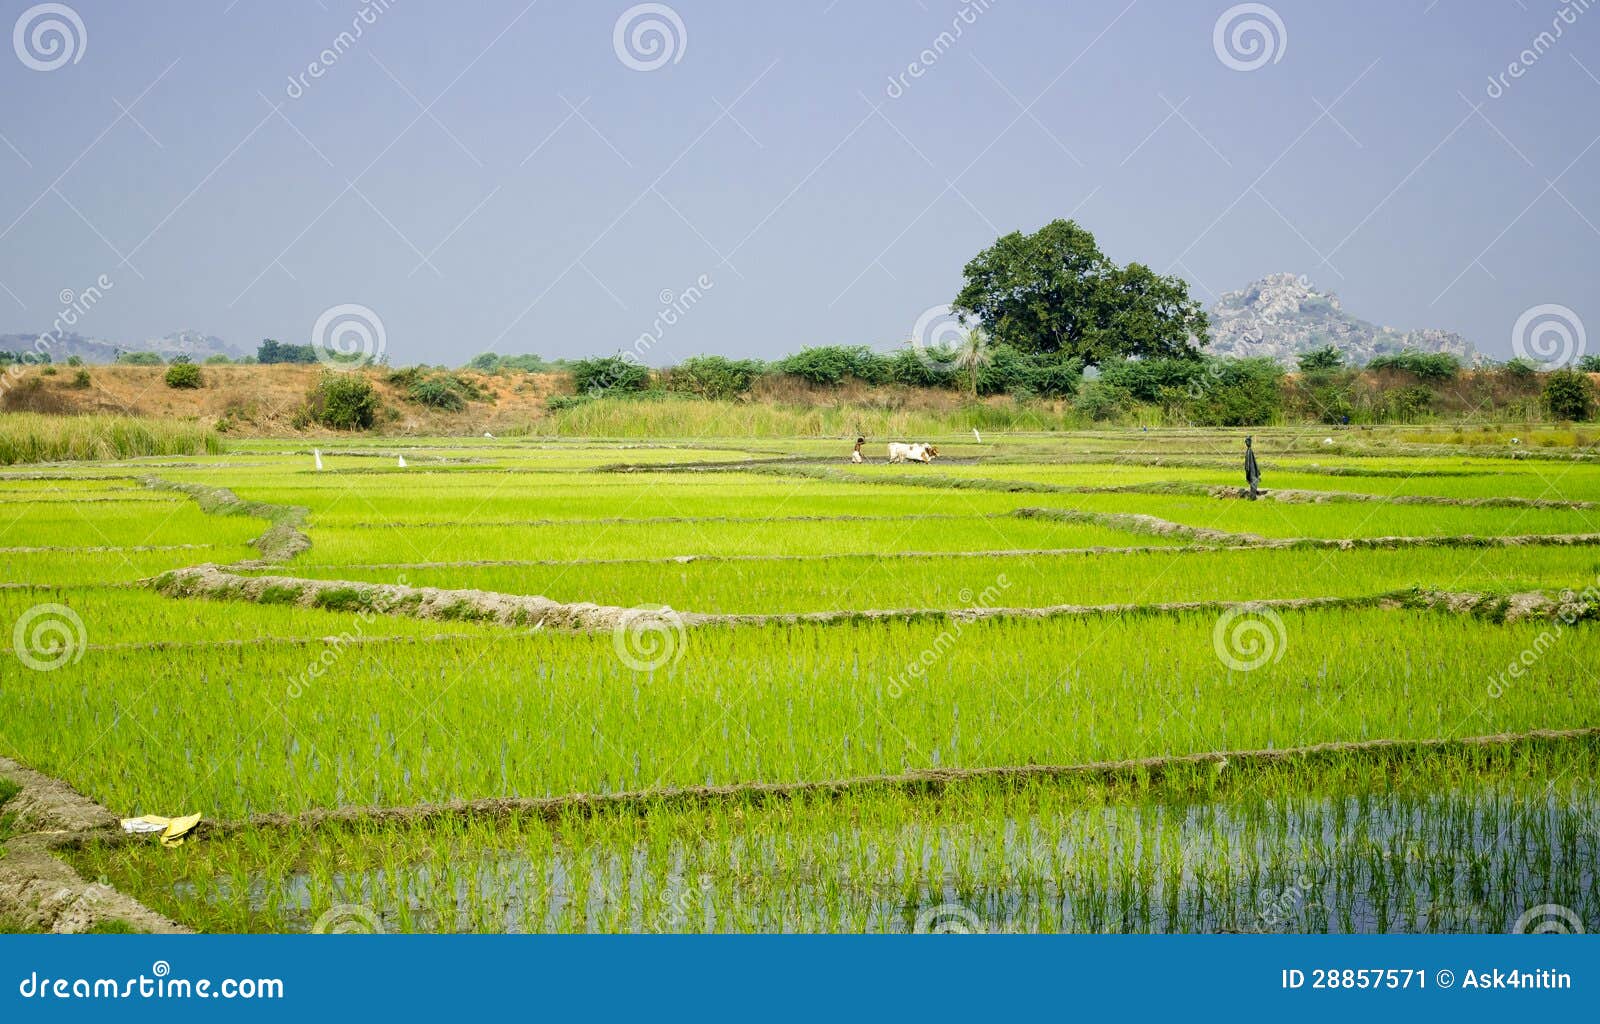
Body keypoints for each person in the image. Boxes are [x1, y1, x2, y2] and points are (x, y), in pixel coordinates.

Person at [1244, 435, 1261, 500]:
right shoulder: (1249, 451)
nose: (1248, 443)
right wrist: (1247, 471)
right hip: (1251, 470)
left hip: (1252, 470)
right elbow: (1247, 463)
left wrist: (1257, 470)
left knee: (1254, 482)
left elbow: (1252, 462)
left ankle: (1253, 497)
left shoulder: (1249, 451)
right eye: (1247, 442)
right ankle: (1252, 497)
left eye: (1249, 441)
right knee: (1253, 482)